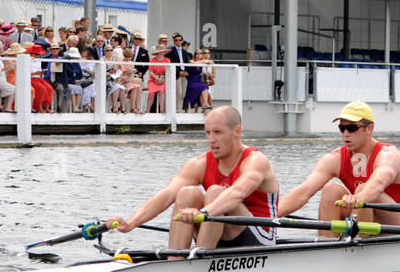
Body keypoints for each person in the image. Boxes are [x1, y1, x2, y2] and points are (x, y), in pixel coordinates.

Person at [107, 106, 281, 252]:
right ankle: (175, 260)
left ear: (237, 131)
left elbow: (238, 192)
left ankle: (199, 260)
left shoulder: (256, 161)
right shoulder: (200, 164)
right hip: (217, 230)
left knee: (215, 191)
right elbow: (166, 195)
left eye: (218, 132)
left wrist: (203, 213)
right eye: (208, 133)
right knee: (186, 193)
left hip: (259, 238)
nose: (211, 140)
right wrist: (132, 223)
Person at [275, 101, 400, 232]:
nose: (346, 134)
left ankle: (356, 243)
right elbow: (303, 192)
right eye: (342, 128)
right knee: (331, 190)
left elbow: (378, 183)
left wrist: (359, 197)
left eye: (352, 128)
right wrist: (268, 216)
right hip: (364, 214)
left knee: (363, 188)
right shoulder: (334, 158)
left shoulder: (388, 154)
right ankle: (327, 244)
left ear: (369, 129)